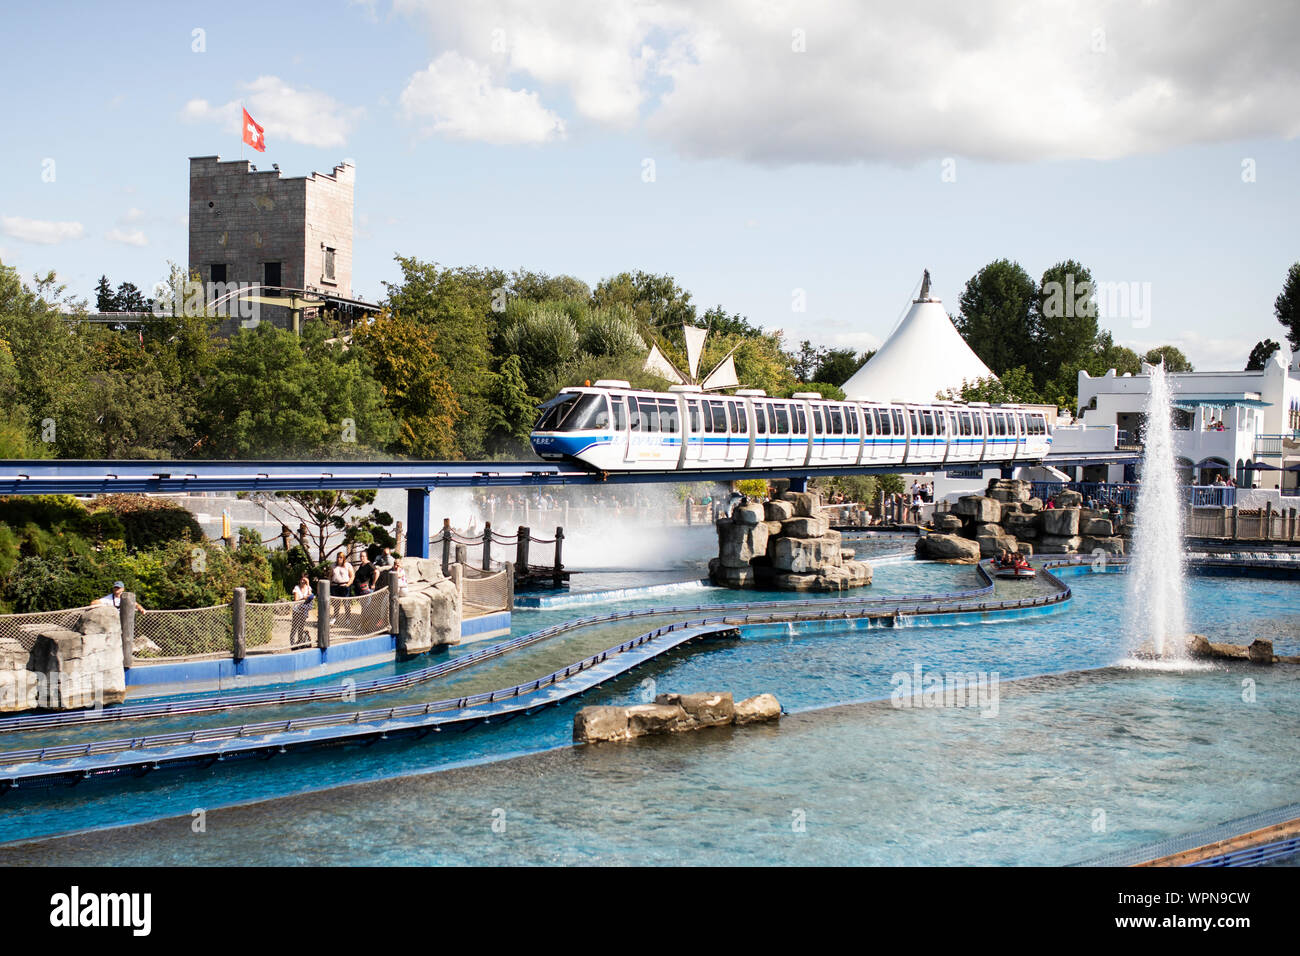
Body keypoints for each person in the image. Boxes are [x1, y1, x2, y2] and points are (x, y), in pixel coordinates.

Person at [330, 550, 355, 624]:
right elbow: (330, 576)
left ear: (343, 558)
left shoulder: (347, 565)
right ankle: (335, 618)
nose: (339, 559)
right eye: (338, 557)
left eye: (341, 557)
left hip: (345, 586)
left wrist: (348, 584)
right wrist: (330, 583)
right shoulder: (333, 565)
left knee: (346, 604)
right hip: (335, 586)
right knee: (336, 604)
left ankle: (347, 618)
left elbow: (352, 576)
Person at [290, 574, 313, 648]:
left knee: (301, 627)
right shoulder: (297, 588)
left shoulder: (308, 588)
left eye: (304, 580)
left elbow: (310, 595)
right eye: (301, 580)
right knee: (294, 626)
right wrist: (303, 598)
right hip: (297, 610)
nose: (302, 582)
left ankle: (300, 642)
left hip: (304, 610)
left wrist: (308, 584)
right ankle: (292, 643)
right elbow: (296, 600)